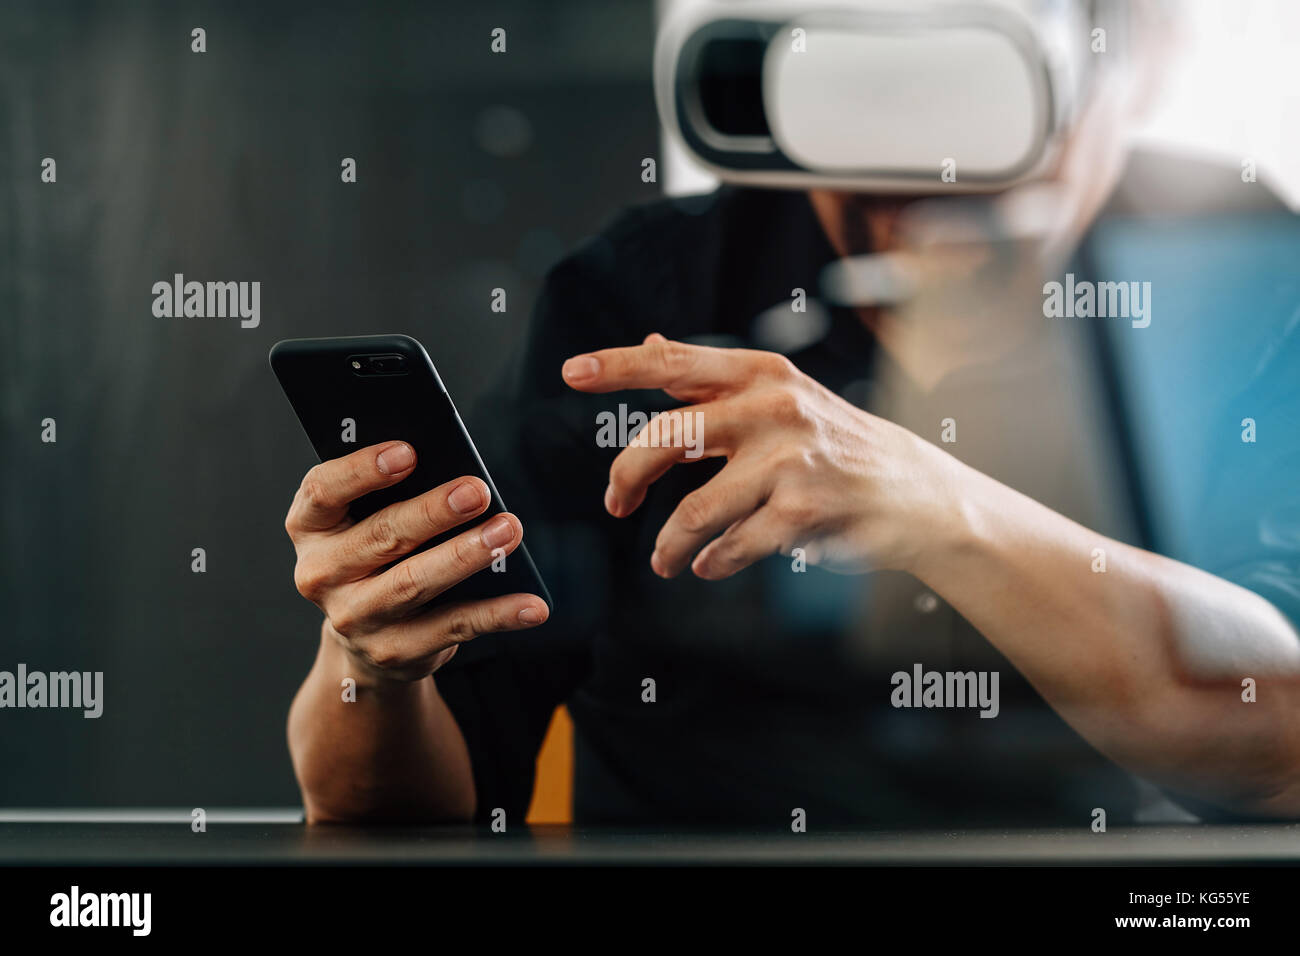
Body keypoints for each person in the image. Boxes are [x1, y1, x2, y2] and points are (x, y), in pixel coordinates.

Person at [283, 9, 1300, 827]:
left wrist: (929, 498)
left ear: (1126, 78)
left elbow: (1281, 742)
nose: (920, 175)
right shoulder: (646, 295)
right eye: (873, 103)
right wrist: (369, 662)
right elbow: (407, 801)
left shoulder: (1226, 260)